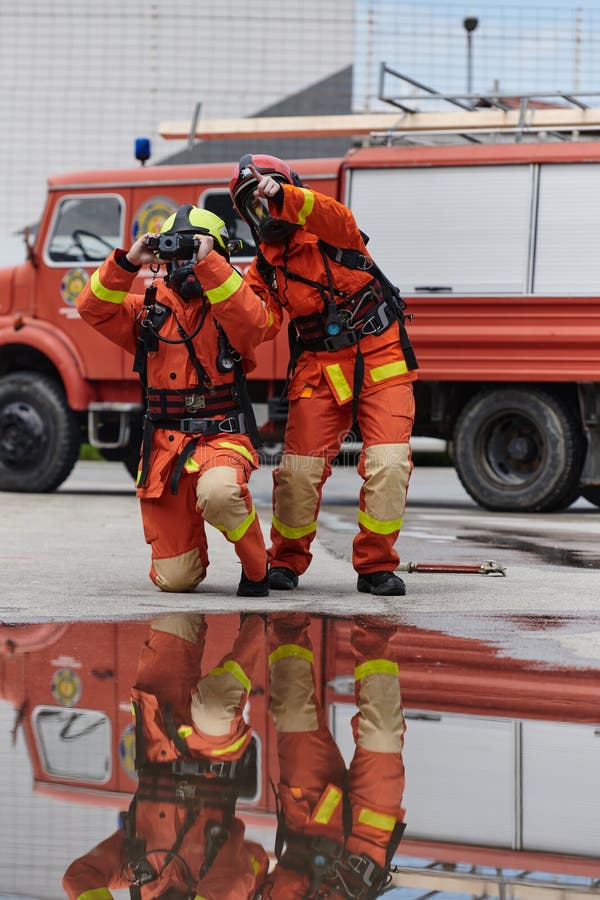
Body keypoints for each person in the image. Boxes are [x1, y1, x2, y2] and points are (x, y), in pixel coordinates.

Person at [229, 156, 418, 597]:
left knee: (389, 464)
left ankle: (375, 566)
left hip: (380, 357)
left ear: (291, 189)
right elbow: (259, 325)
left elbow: (335, 214)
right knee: (297, 472)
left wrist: (284, 196)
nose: (265, 209)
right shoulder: (264, 271)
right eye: (253, 205)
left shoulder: (332, 228)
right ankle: (286, 562)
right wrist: (216, 276)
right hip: (318, 367)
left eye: (269, 193)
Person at [76, 205, 271, 596]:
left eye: (193, 250)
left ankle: (257, 568)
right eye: (176, 253)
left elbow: (255, 323)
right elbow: (91, 308)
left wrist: (209, 263)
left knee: (220, 492)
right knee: (176, 580)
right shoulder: (147, 310)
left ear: (218, 254)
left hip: (222, 438)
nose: (184, 262)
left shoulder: (230, 305)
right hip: (165, 451)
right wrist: (129, 262)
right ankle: (191, 553)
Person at [63, 612, 269, 899]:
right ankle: (257, 622)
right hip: (213, 756)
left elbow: (78, 876)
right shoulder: (214, 887)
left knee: (176, 610)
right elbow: (239, 874)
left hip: (159, 734)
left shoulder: (134, 872)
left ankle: (186, 574)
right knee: (214, 707)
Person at [260, 612, 407, 898]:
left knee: (292, 710)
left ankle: (287, 624)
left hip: (309, 823)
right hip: (367, 839)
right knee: (383, 731)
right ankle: (374, 630)